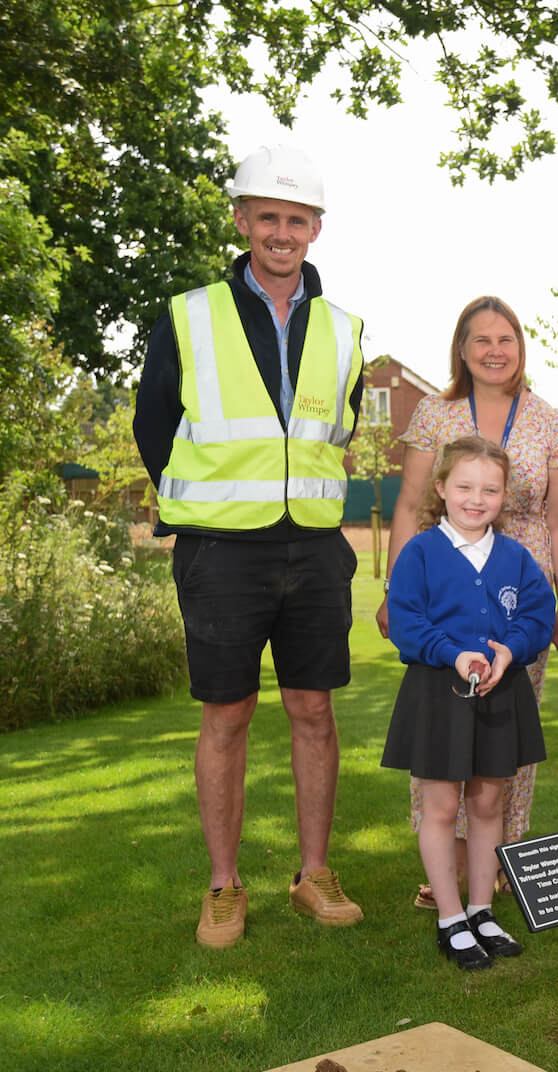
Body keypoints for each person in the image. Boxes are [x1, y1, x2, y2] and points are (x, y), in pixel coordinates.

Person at [132, 143, 366, 948]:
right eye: (267, 216)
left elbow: (340, 429)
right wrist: (211, 506)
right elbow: (154, 427)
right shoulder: (189, 314)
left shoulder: (345, 329)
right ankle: (224, 884)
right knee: (226, 715)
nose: (281, 232)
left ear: (316, 229)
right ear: (241, 220)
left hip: (312, 547)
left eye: (295, 220)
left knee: (313, 710)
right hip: (221, 552)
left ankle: (313, 873)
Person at [378, 296, 558, 909]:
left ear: (521, 348)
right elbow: (411, 504)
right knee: (446, 730)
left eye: (506, 339)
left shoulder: (549, 420)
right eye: (481, 339)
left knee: (503, 736)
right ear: (461, 349)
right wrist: (394, 591)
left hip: (520, 600)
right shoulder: (436, 416)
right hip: (443, 590)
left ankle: (493, 866)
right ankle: (446, 865)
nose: (495, 350)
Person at [382, 437, 553, 970]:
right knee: (439, 808)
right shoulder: (420, 553)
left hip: (500, 692)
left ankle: (482, 910)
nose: (476, 499)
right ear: (441, 489)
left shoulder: (516, 557)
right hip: (439, 694)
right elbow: (406, 623)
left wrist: (511, 650)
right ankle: (450, 919)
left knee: (486, 805)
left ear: (504, 496)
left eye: (489, 489)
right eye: (464, 487)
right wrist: (453, 654)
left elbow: (537, 617)